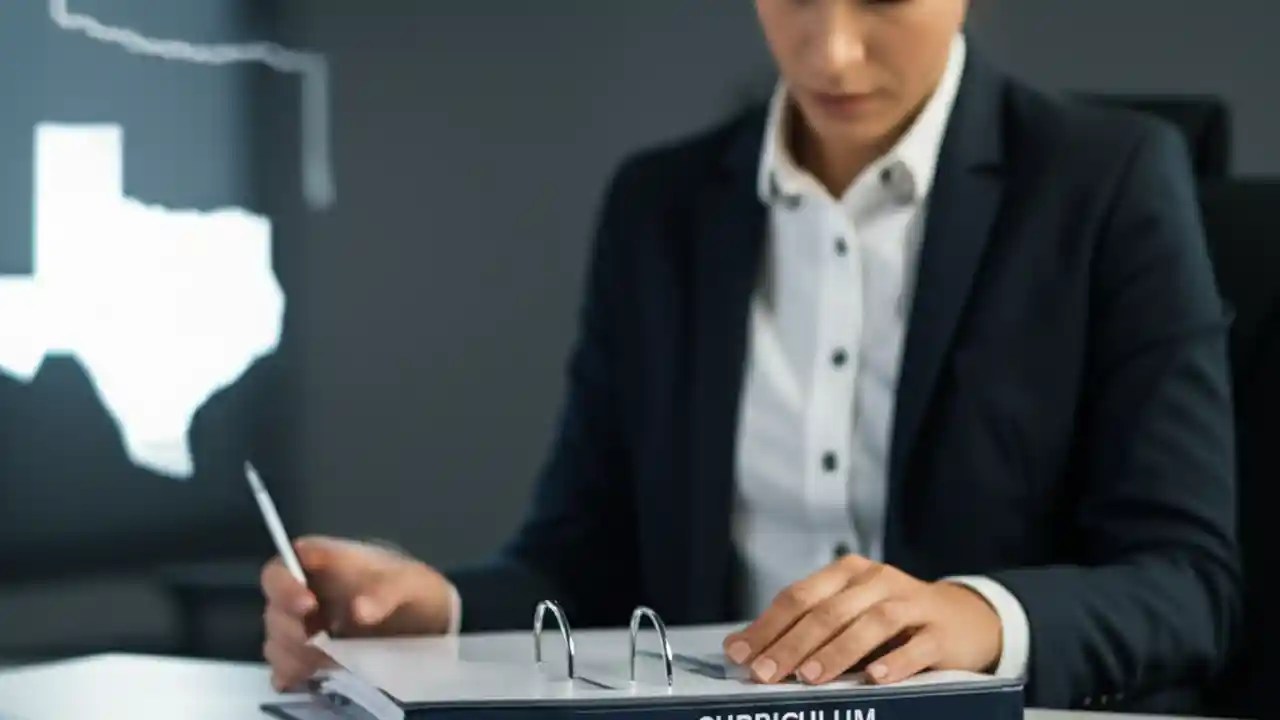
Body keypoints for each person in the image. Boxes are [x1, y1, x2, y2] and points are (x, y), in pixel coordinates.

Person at [260, 0, 1240, 713]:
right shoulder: (661, 208)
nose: (831, 50)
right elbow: (586, 559)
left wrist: (974, 618)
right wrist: (438, 611)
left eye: (880, 0)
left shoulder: (1107, 182)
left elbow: (1186, 584)